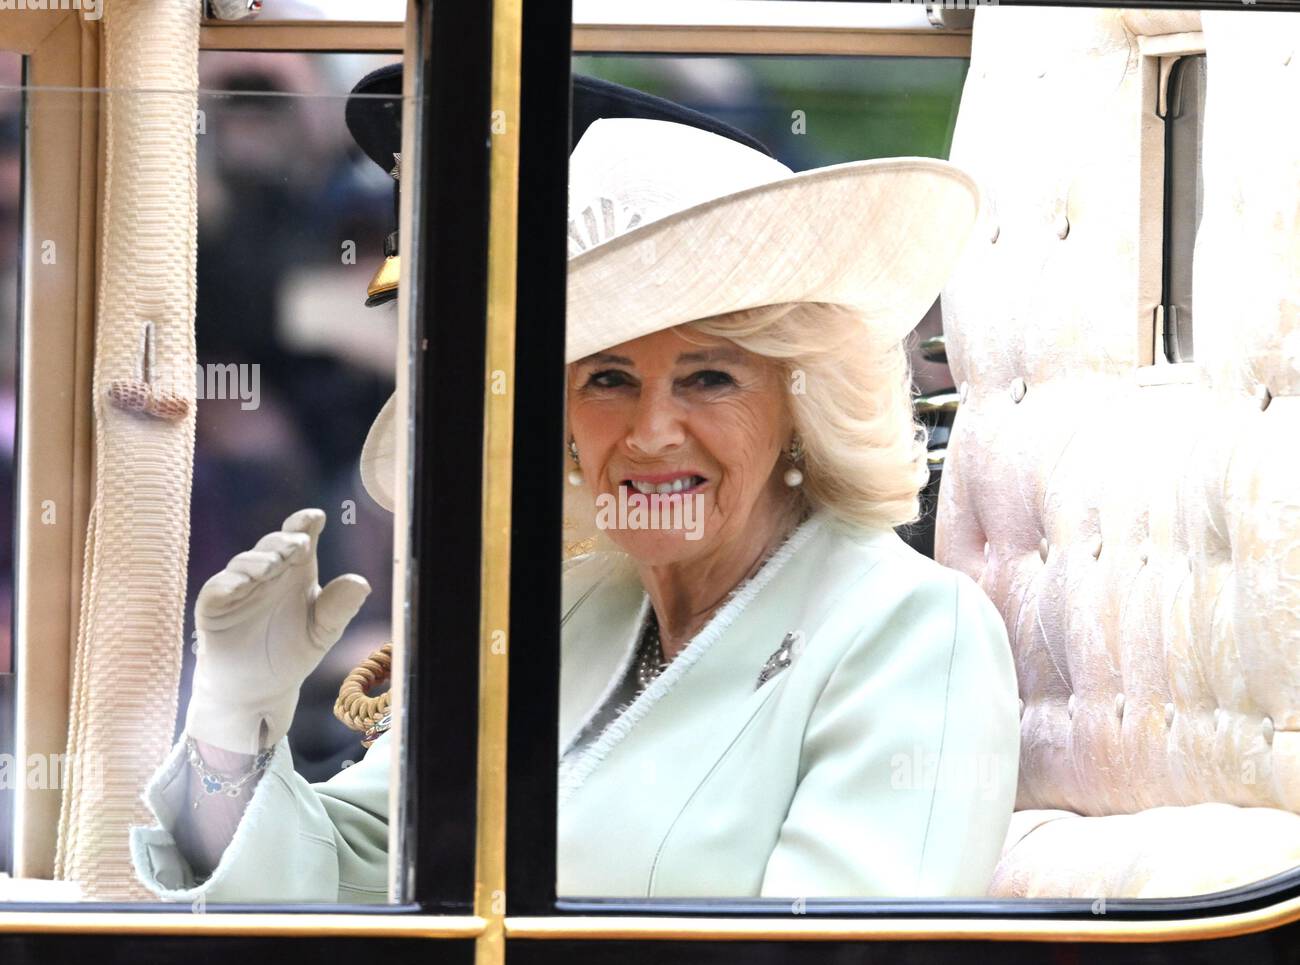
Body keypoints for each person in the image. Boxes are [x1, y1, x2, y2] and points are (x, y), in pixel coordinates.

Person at [130, 72, 1021, 903]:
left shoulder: (912, 631)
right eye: (607, 379)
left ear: (802, 401)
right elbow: (345, 876)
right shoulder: (561, 614)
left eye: (710, 378)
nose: (650, 431)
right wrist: (233, 716)